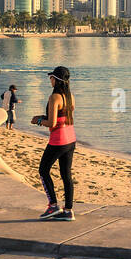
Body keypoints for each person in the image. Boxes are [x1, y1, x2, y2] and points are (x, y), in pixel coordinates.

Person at [34, 66, 76, 221]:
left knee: (43, 170)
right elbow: (63, 116)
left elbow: (52, 123)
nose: (50, 80)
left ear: (56, 80)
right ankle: (68, 210)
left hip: (58, 140)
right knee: (66, 175)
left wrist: (38, 121)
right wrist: (43, 116)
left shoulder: (54, 97)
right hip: (71, 139)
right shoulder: (70, 96)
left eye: (51, 77)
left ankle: (52, 205)